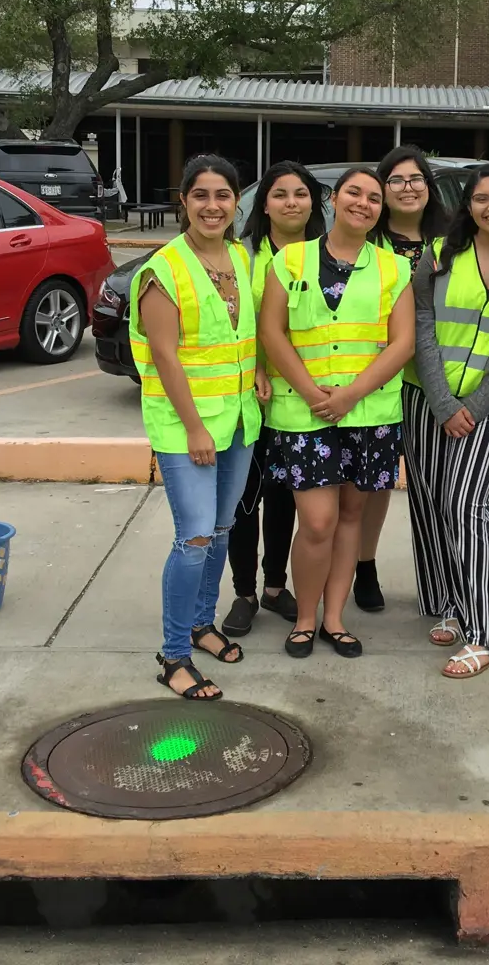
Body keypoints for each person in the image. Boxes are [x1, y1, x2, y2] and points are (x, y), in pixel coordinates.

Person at [258, 167, 415, 659]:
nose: (363, 203)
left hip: (368, 413)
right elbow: (272, 332)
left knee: (351, 517)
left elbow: (402, 342)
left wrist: (349, 395)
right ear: (333, 198)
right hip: (305, 416)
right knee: (318, 522)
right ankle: (304, 618)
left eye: (373, 197)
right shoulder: (290, 259)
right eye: (354, 192)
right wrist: (310, 392)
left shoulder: (395, 269)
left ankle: (333, 618)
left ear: (381, 208)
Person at [129, 155, 262, 701]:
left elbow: (242, 336)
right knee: (194, 538)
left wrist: (259, 379)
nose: (213, 205)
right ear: (183, 200)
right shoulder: (162, 269)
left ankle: (202, 624)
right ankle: (173, 653)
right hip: (188, 429)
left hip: (238, 420)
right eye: (201, 195)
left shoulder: (239, 256)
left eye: (223, 195)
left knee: (224, 529)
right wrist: (195, 429)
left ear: (236, 203)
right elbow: (164, 355)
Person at [406, 163, 489, 678]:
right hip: (426, 400)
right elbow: (421, 323)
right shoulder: (440, 254)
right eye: (481, 199)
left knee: (464, 504)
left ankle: (485, 632)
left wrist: (474, 407)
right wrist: (441, 402)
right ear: (467, 206)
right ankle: (448, 603)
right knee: (430, 500)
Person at [222, 161, 327, 639]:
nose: (291, 202)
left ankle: (274, 586)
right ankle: (243, 592)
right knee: (245, 500)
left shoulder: (326, 257)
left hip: (303, 403)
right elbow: (239, 327)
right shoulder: (242, 257)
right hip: (251, 398)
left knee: (286, 498)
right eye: (280, 194)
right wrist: (259, 367)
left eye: (301, 194)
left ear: (314, 203)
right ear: (264, 203)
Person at [351, 145, 451, 614]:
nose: (407, 188)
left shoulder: (455, 243)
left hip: (441, 383)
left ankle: (448, 578)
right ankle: (363, 566)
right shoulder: (366, 245)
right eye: (396, 180)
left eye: (416, 179)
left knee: (438, 489)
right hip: (378, 382)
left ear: (429, 188)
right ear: (382, 190)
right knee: (373, 485)